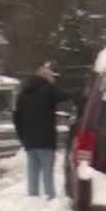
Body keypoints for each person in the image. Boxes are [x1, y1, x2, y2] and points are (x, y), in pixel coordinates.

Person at [13, 61, 72, 199]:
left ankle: (33, 198)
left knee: (32, 172)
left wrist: (22, 137)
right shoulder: (48, 88)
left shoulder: (23, 94)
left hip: (29, 140)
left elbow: (17, 118)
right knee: (47, 172)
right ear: (47, 76)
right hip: (45, 139)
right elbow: (65, 96)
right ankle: (50, 199)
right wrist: (50, 83)